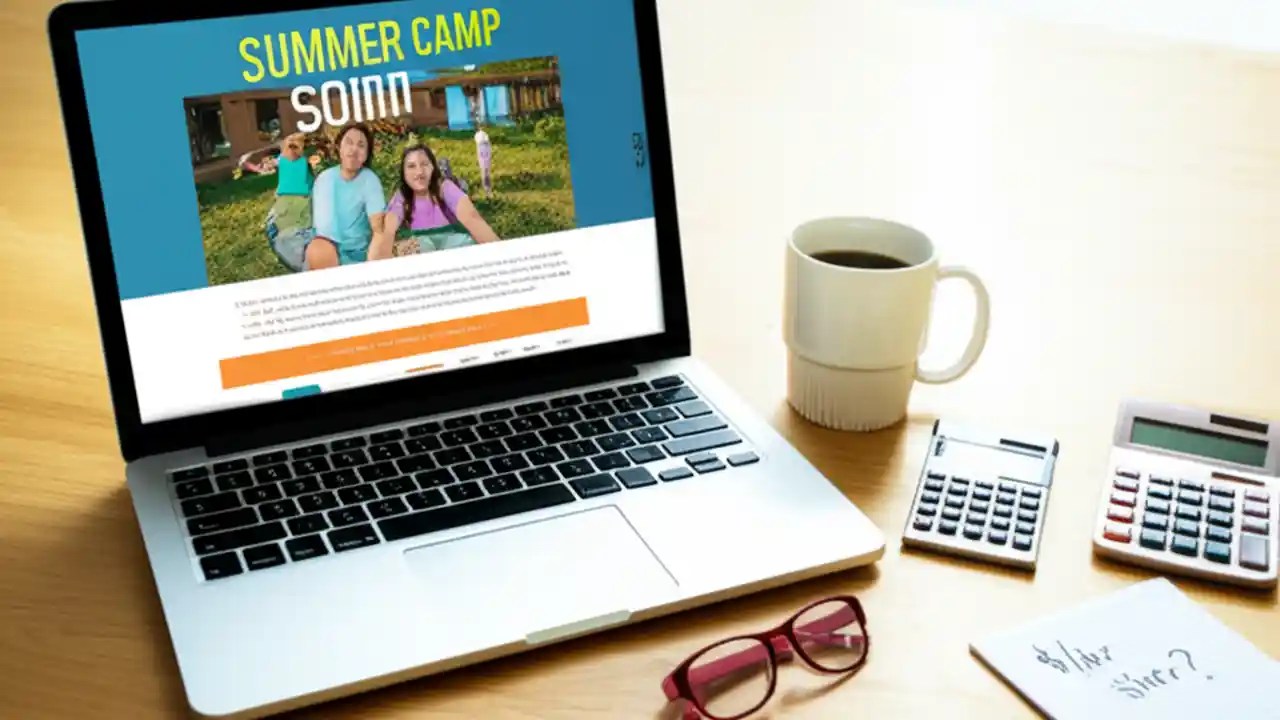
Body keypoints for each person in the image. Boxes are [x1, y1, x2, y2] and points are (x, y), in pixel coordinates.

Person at [377, 143, 500, 259]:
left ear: (433, 168)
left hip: (453, 246)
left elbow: (471, 218)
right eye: (411, 166)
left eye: (424, 164)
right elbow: (387, 231)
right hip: (421, 251)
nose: (419, 172)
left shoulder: (445, 188)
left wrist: (502, 255)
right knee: (419, 246)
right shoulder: (402, 197)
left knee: (462, 243)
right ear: (404, 173)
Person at [305, 123, 390, 269]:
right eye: (349, 142)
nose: (354, 149)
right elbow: (323, 231)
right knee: (318, 248)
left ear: (367, 154)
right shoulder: (324, 179)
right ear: (339, 147)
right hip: (326, 250)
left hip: (359, 253)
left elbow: (378, 228)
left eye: (361, 145)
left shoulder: (370, 180)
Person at [474, 125, 493, 198]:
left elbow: (489, 148)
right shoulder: (478, 136)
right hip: (482, 155)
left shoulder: (485, 136)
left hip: (486, 155)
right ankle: (485, 188)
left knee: (487, 172)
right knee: (484, 172)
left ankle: (489, 189)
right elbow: (479, 143)